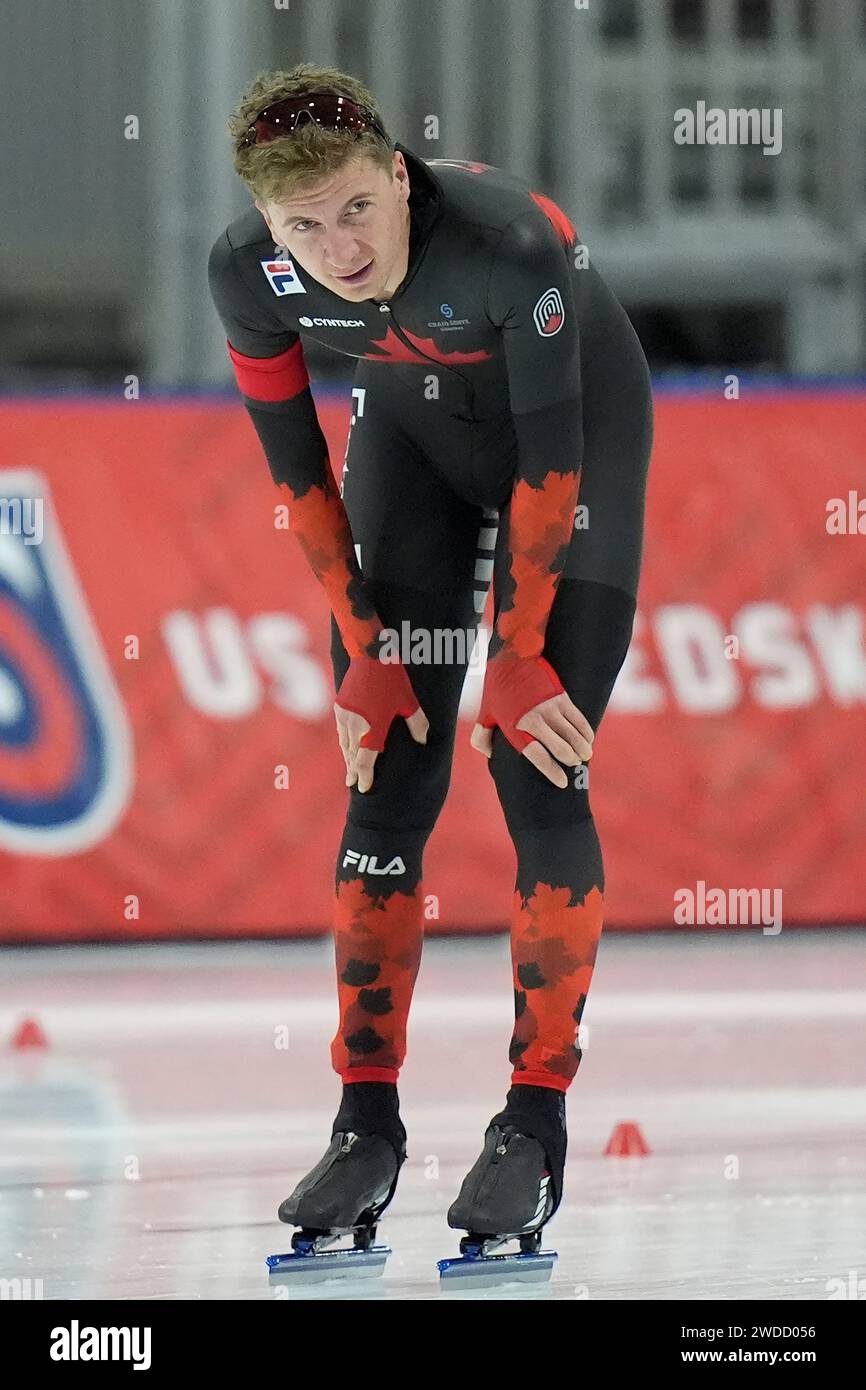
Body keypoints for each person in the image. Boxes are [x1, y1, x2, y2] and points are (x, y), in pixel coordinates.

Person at [208, 62, 653, 1248]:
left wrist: (515, 655)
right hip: (409, 438)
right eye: (303, 225)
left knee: (533, 757)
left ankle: (535, 1124)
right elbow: (297, 473)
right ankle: (364, 1125)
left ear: (398, 175)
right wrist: (362, 645)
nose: (337, 248)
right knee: (385, 775)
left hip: (570, 449)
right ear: (267, 222)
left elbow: (550, 471)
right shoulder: (242, 273)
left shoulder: (510, 245)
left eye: (357, 207)